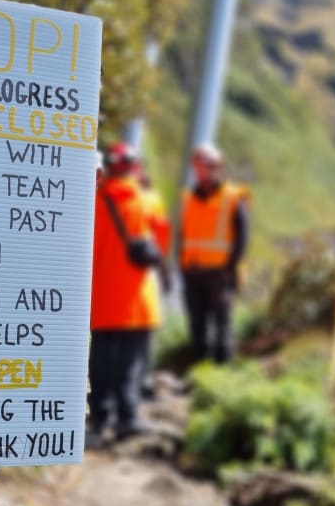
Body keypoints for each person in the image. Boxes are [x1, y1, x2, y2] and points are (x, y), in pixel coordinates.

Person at [88, 142, 169, 443]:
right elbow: (160, 243)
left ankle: (99, 418)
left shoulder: (92, 201)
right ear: (135, 168)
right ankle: (128, 418)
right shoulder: (148, 201)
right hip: (137, 302)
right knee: (132, 364)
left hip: (102, 301)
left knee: (101, 362)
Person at [178, 143, 249, 364]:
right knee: (197, 323)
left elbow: (242, 238)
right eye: (198, 166)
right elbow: (183, 235)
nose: (203, 170)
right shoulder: (188, 198)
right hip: (193, 272)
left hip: (220, 274)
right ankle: (199, 369)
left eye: (208, 165)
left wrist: (230, 269)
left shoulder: (233, 198)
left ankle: (221, 372)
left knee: (222, 324)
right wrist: (183, 265)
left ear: (218, 167)